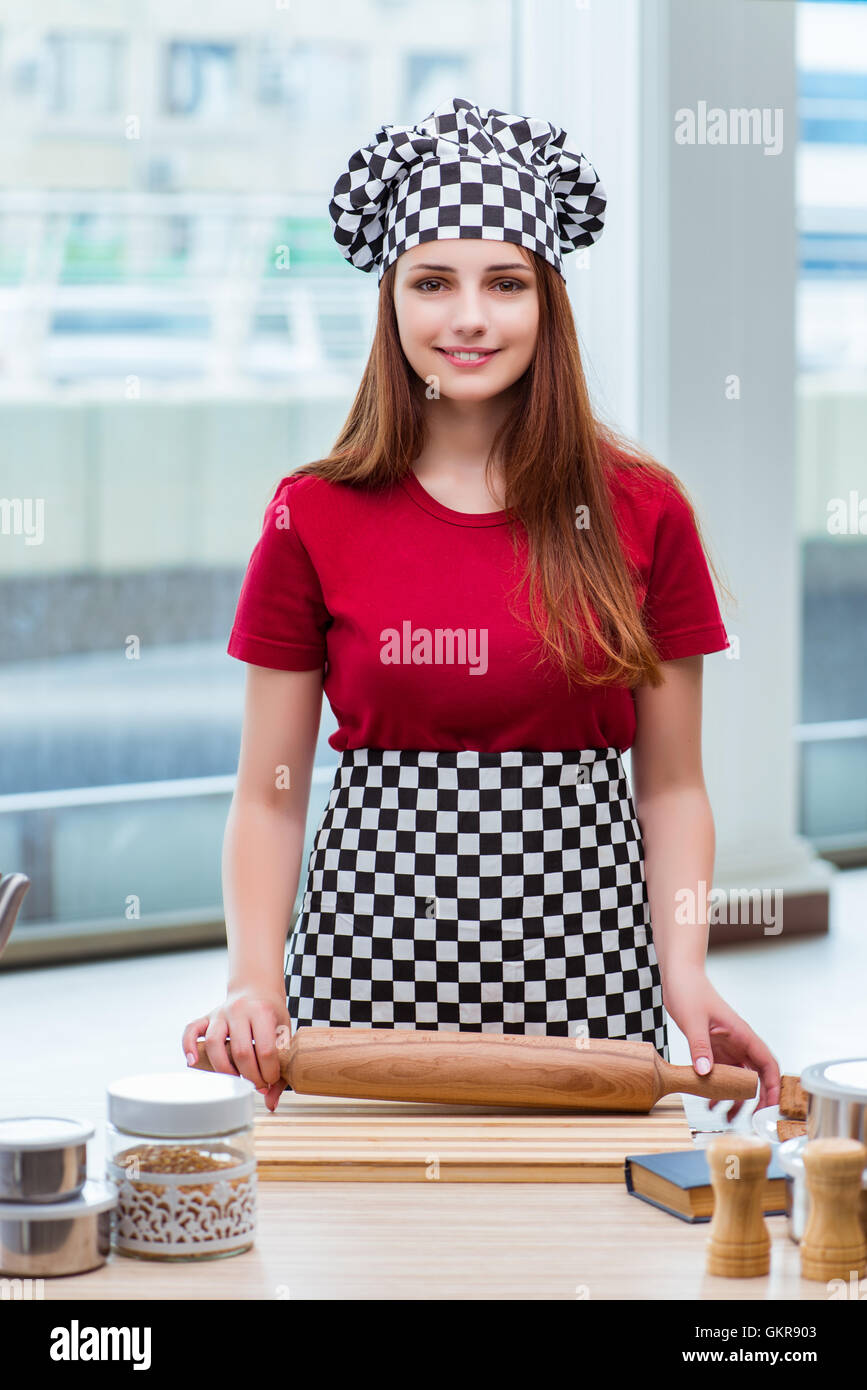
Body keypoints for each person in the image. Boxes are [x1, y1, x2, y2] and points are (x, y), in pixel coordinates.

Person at [182, 96, 781, 1120]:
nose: (469, 317)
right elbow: (272, 791)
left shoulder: (645, 509)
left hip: (590, 988)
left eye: (505, 282)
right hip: (357, 996)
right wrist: (253, 977)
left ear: (548, 303)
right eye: (433, 283)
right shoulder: (310, 514)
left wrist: (685, 971)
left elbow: (673, 787)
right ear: (392, 304)